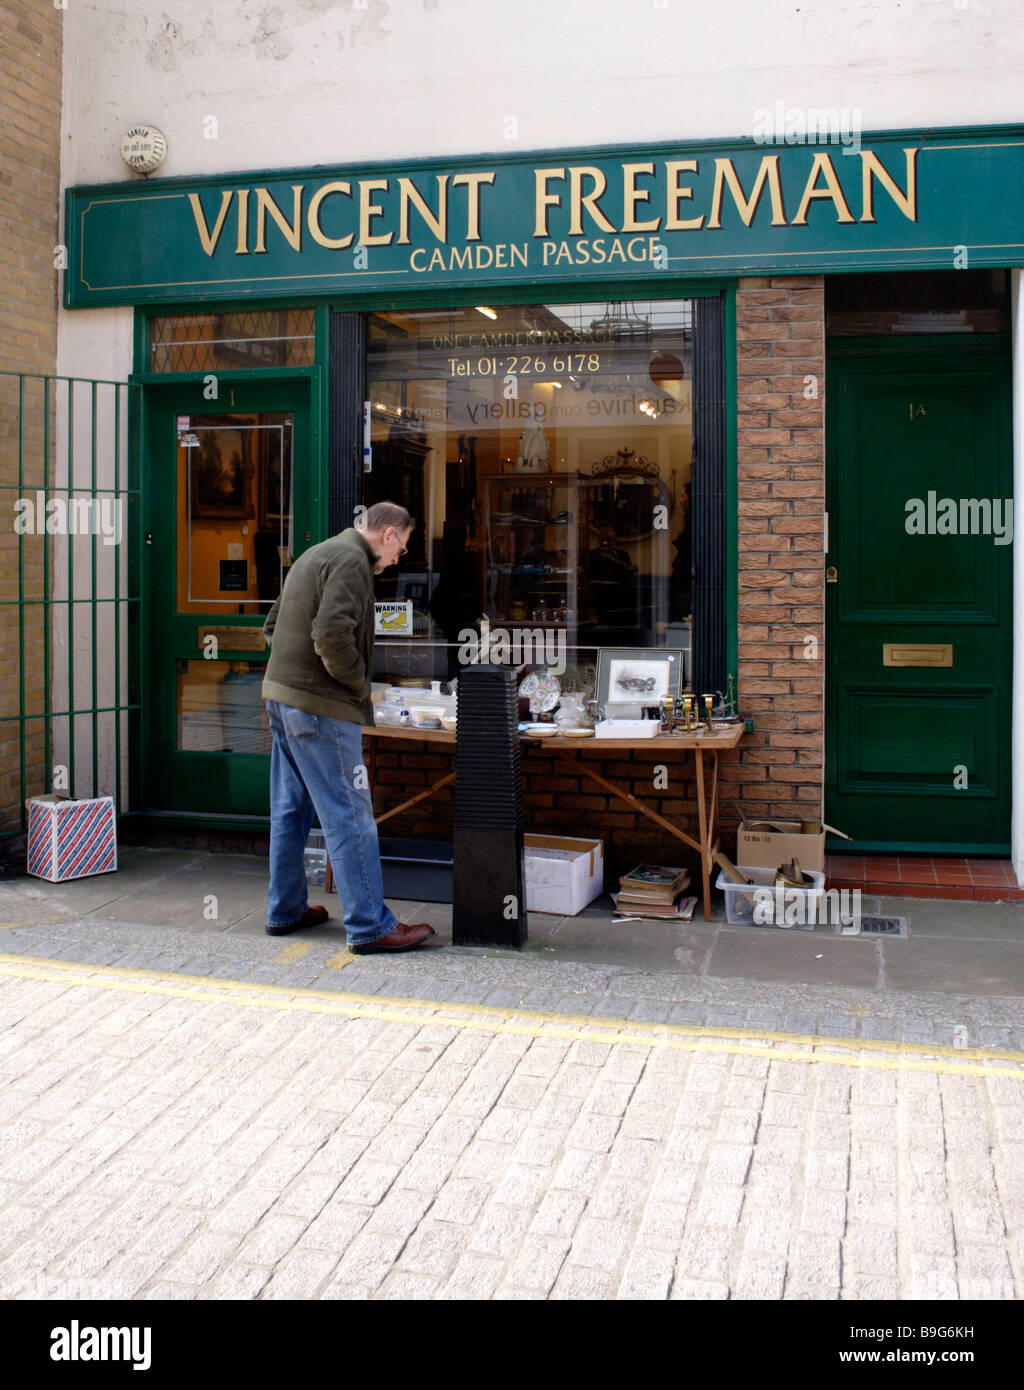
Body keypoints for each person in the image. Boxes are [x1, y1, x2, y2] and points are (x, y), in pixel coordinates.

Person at [261, 501, 435, 954]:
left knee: (290, 810)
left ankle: (286, 910)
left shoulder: (317, 553)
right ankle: (370, 926)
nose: (399, 558)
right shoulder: (353, 563)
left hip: (282, 698)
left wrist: (293, 674)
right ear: (389, 535)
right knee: (349, 815)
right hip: (321, 708)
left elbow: (272, 625)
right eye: (402, 547)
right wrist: (360, 686)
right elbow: (331, 634)